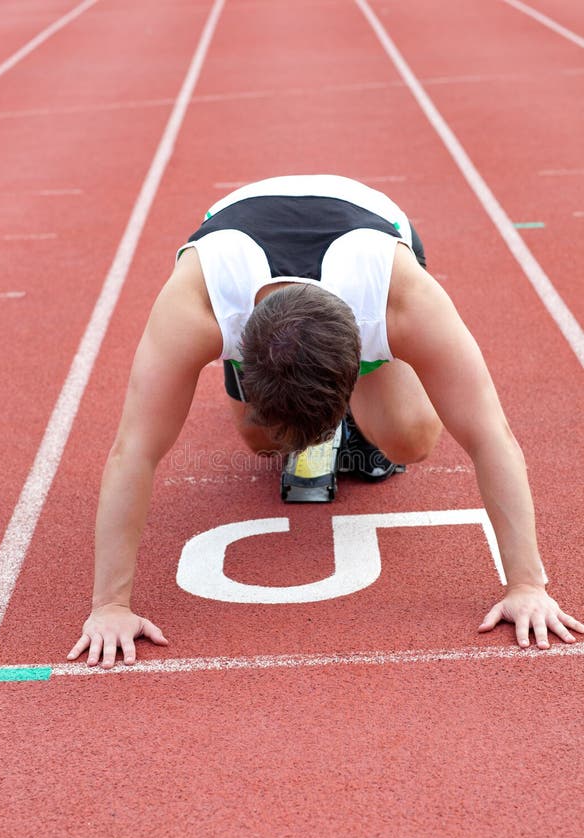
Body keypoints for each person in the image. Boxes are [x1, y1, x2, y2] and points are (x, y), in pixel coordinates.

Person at [68, 174, 583, 668]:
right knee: (264, 443)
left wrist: (527, 585)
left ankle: (362, 400)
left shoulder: (403, 302)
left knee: (409, 441)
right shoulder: (197, 307)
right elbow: (133, 450)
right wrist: (110, 605)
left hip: (371, 235)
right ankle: (293, 411)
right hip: (242, 256)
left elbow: (491, 436)